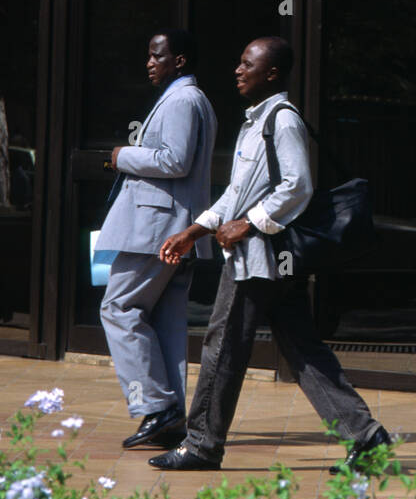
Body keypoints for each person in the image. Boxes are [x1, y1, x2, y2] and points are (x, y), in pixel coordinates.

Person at [149, 36, 390, 472]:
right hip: (269, 262)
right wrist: (195, 230)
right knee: (303, 350)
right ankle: (366, 436)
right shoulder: (255, 123)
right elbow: (235, 194)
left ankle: (201, 444)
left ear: (272, 73)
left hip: (257, 260)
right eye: (240, 63)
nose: (238, 70)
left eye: (248, 64)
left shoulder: (282, 120)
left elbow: (298, 185)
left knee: (222, 347)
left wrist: (249, 223)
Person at [97, 30, 217, 449]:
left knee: (118, 308)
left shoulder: (182, 100)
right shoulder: (190, 99)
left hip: (156, 229)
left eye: (156, 56)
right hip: (172, 227)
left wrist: (121, 156)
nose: (149, 63)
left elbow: (175, 160)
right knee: (164, 320)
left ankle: (156, 405)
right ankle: (169, 417)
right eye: (149, 56)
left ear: (179, 61)